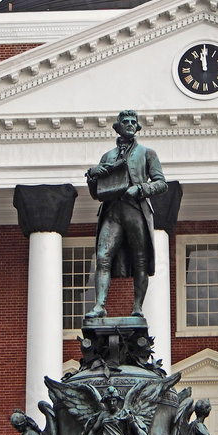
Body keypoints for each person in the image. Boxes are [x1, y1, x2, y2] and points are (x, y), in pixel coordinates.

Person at [85, 109, 167, 318]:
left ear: (137, 127)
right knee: (103, 257)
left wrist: (140, 189)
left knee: (140, 259)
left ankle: (137, 307)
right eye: (126, 121)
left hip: (135, 210)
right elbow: (97, 194)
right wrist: (92, 177)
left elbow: (161, 183)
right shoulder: (108, 156)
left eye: (133, 121)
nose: (130, 124)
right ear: (118, 126)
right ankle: (100, 306)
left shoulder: (147, 153)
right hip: (112, 211)